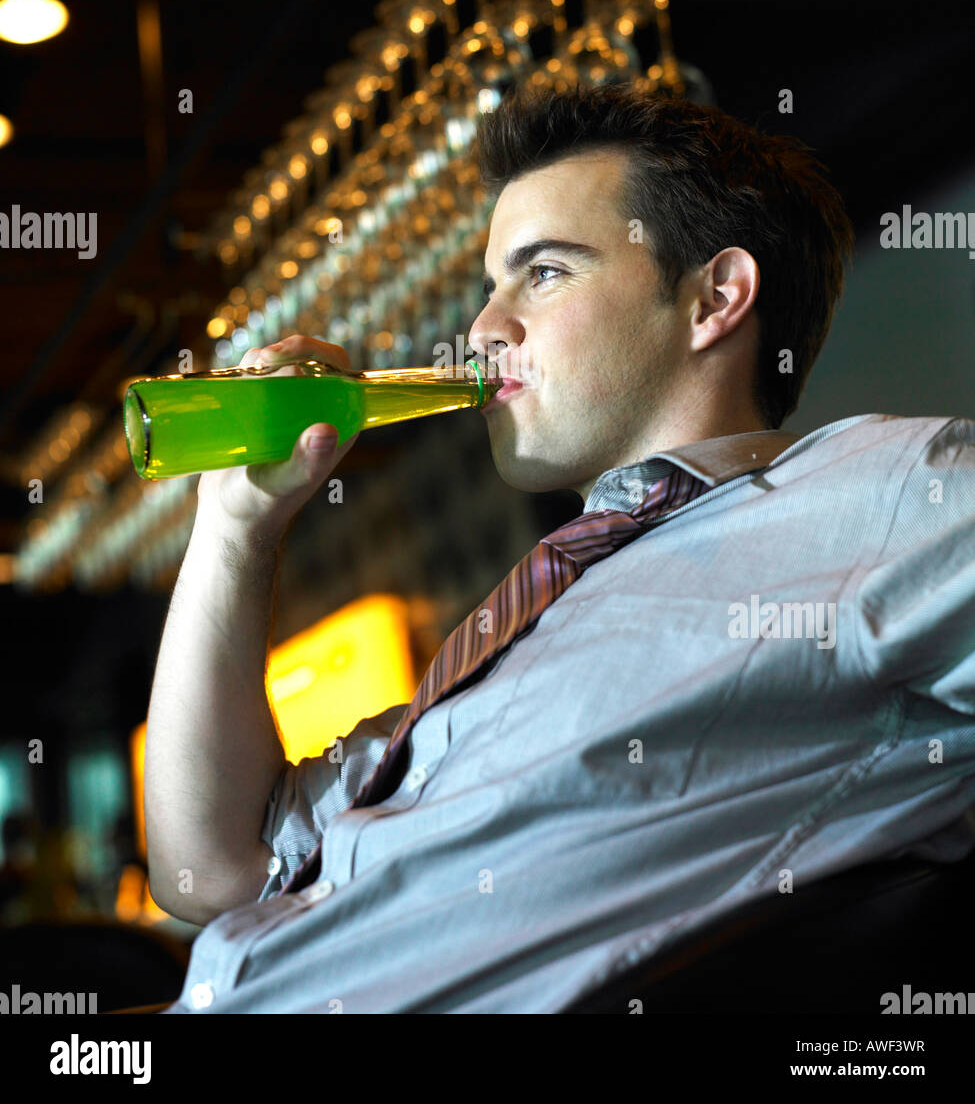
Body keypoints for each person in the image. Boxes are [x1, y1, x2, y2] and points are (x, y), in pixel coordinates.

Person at [146, 81, 975, 1013]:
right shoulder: (534, 623)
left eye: (542, 274)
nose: (483, 330)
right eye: (490, 286)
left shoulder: (878, 494)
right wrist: (234, 530)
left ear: (715, 297)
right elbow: (208, 871)